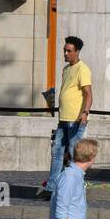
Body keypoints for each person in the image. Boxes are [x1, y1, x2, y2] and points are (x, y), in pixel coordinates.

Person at [42, 36, 92, 198]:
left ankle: (73, 189)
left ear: (77, 52)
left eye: (69, 51)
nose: (65, 53)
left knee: (73, 153)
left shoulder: (82, 69)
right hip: (63, 119)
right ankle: (51, 189)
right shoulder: (66, 69)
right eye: (64, 50)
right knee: (57, 153)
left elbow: (88, 94)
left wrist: (85, 113)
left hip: (75, 119)